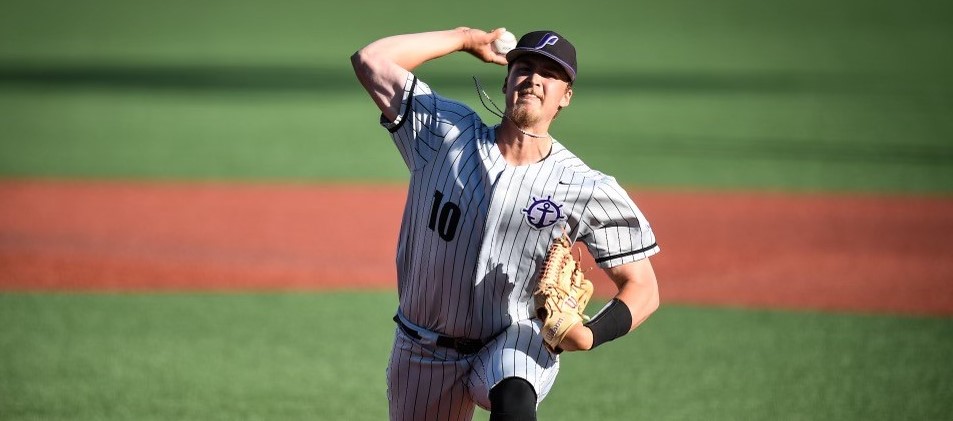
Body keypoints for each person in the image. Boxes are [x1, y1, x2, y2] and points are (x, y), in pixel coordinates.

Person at [351, 27, 661, 421]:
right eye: (525, 67)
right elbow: (371, 62)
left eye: (550, 73)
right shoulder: (444, 133)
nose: (534, 78)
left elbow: (644, 288)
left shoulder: (584, 186)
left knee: (514, 397)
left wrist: (589, 334)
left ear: (566, 96)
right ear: (507, 80)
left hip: (513, 339)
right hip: (422, 347)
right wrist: (464, 39)